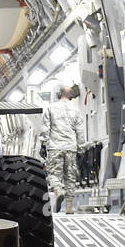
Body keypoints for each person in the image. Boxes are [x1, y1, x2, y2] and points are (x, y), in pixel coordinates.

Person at [42, 84, 86, 213]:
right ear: (71, 96)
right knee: (70, 176)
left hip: (55, 147)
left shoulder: (51, 108)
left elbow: (45, 128)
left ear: (59, 94)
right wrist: (81, 148)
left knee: (54, 174)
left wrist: (43, 144)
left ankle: (58, 190)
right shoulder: (75, 109)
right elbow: (80, 131)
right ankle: (69, 206)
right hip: (71, 147)